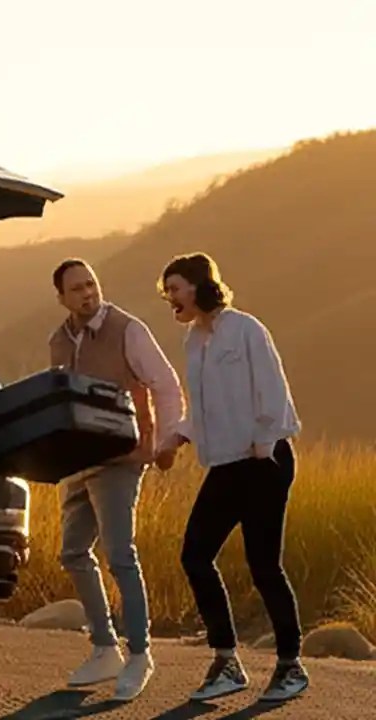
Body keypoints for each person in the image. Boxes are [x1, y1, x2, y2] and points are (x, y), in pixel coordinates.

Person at [156, 252, 308, 703]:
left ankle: (290, 666)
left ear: (201, 286)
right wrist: (174, 438)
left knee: (264, 567)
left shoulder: (245, 329)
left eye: (176, 290)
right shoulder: (193, 341)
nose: (171, 299)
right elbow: (201, 410)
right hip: (225, 465)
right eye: (167, 293)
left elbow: (273, 392)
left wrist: (263, 451)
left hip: (264, 460)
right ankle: (227, 661)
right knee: (195, 555)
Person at [48, 259, 185, 701]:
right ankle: (104, 647)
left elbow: (165, 384)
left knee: (119, 553)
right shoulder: (58, 340)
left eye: (92, 284)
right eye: (77, 289)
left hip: (122, 458)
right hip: (78, 464)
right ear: (62, 298)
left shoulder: (129, 330)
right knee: (72, 552)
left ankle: (140, 654)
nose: (88, 293)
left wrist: (164, 442)